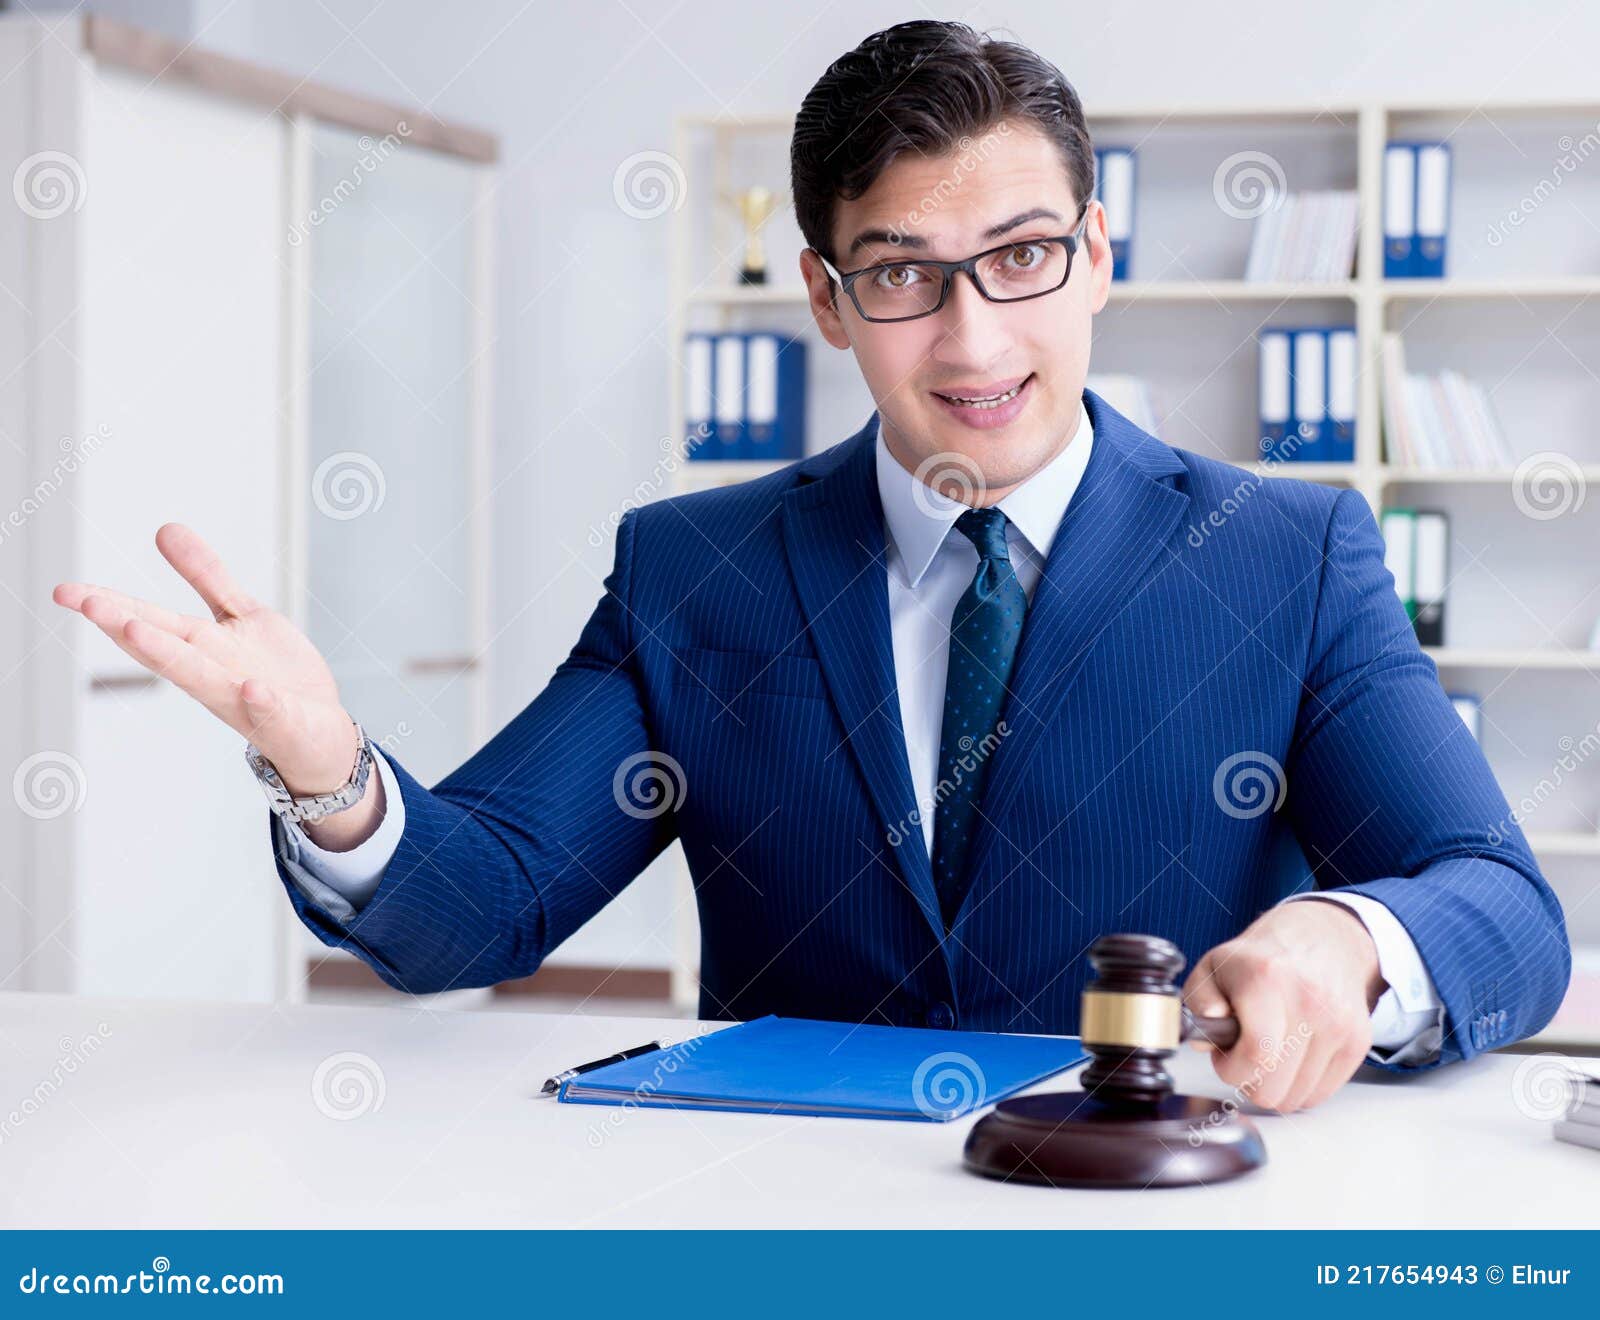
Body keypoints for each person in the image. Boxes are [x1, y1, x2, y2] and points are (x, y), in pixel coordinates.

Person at [54, 19, 1568, 1113]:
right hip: (786, 1220)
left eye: (1022, 257)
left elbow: (1503, 908)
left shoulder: (1286, 557)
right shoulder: (693, 570)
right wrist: (329, 772)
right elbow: (481, 911)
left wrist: (1352, 938)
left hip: (1137, 1209)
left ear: (1098, 255)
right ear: (829, 300)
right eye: (904, 274)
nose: (972, 339)